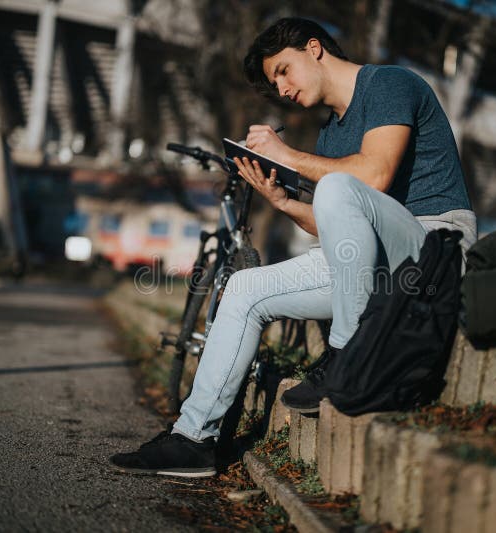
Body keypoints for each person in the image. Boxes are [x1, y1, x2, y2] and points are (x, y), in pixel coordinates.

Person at [110, 17, 476, 477]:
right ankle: (193, 439)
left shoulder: (388, 84)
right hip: (378, 265)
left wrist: (287, 157)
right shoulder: (332, 134)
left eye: (283, 70)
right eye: (273, 82)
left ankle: (346, 357)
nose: (281, 89)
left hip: (435, 251)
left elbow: (376, 175)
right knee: (243, 288)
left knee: (337, 188)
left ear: (315, 48)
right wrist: (280, 199)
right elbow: (341, 231)